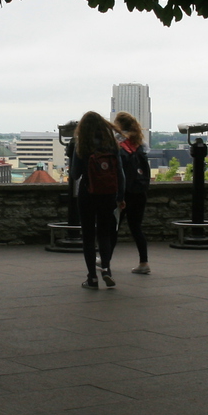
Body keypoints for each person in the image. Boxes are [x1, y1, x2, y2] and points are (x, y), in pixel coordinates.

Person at [69, 110, 126, 289]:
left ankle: (92, 278)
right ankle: (106, 269)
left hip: (88, 192)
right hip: (108, 193)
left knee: (88, 236)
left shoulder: (82, 145)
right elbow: (120, 173)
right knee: (104, 233)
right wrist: (120, 196)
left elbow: (75, 174)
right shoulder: (111, 144)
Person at [113, 111, 152, 274]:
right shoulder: (140, 145)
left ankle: (105, 258)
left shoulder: (119, 143)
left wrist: (119, 195)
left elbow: (118, 172)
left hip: (125, 192)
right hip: (140, 191)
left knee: (113, 226)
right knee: (136, 227)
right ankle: (144, 262)